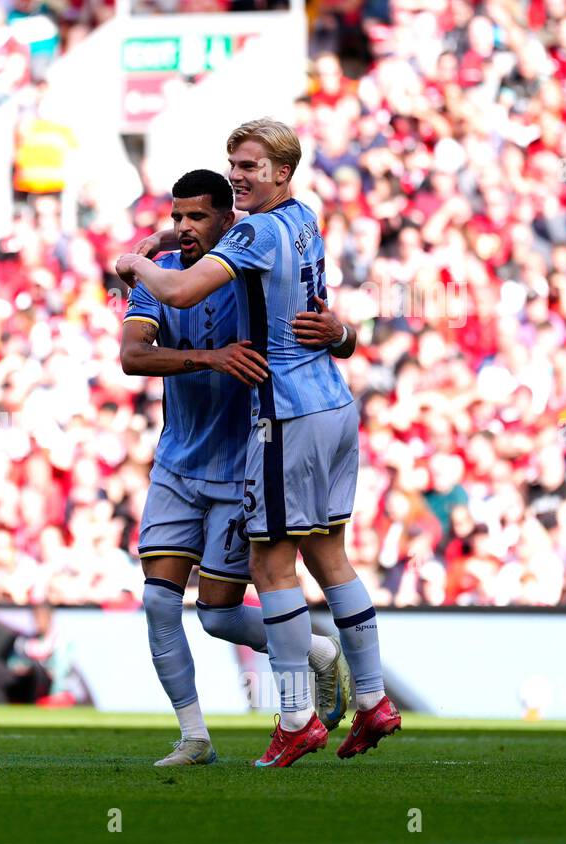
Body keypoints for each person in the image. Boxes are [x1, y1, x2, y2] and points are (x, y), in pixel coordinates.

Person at [116, 119, 400, 768]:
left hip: (284, 413)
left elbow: (182, 287)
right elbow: (326, 321)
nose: (239, 174)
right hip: (332, 403)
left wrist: (136, 261)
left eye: (249, 166)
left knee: (274, 568)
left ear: (281, 170)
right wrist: (344, 333)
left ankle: (297, 716)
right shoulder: (305, 220)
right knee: (331, 556)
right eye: (233, 165)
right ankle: (375, 699)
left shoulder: (249, 232)